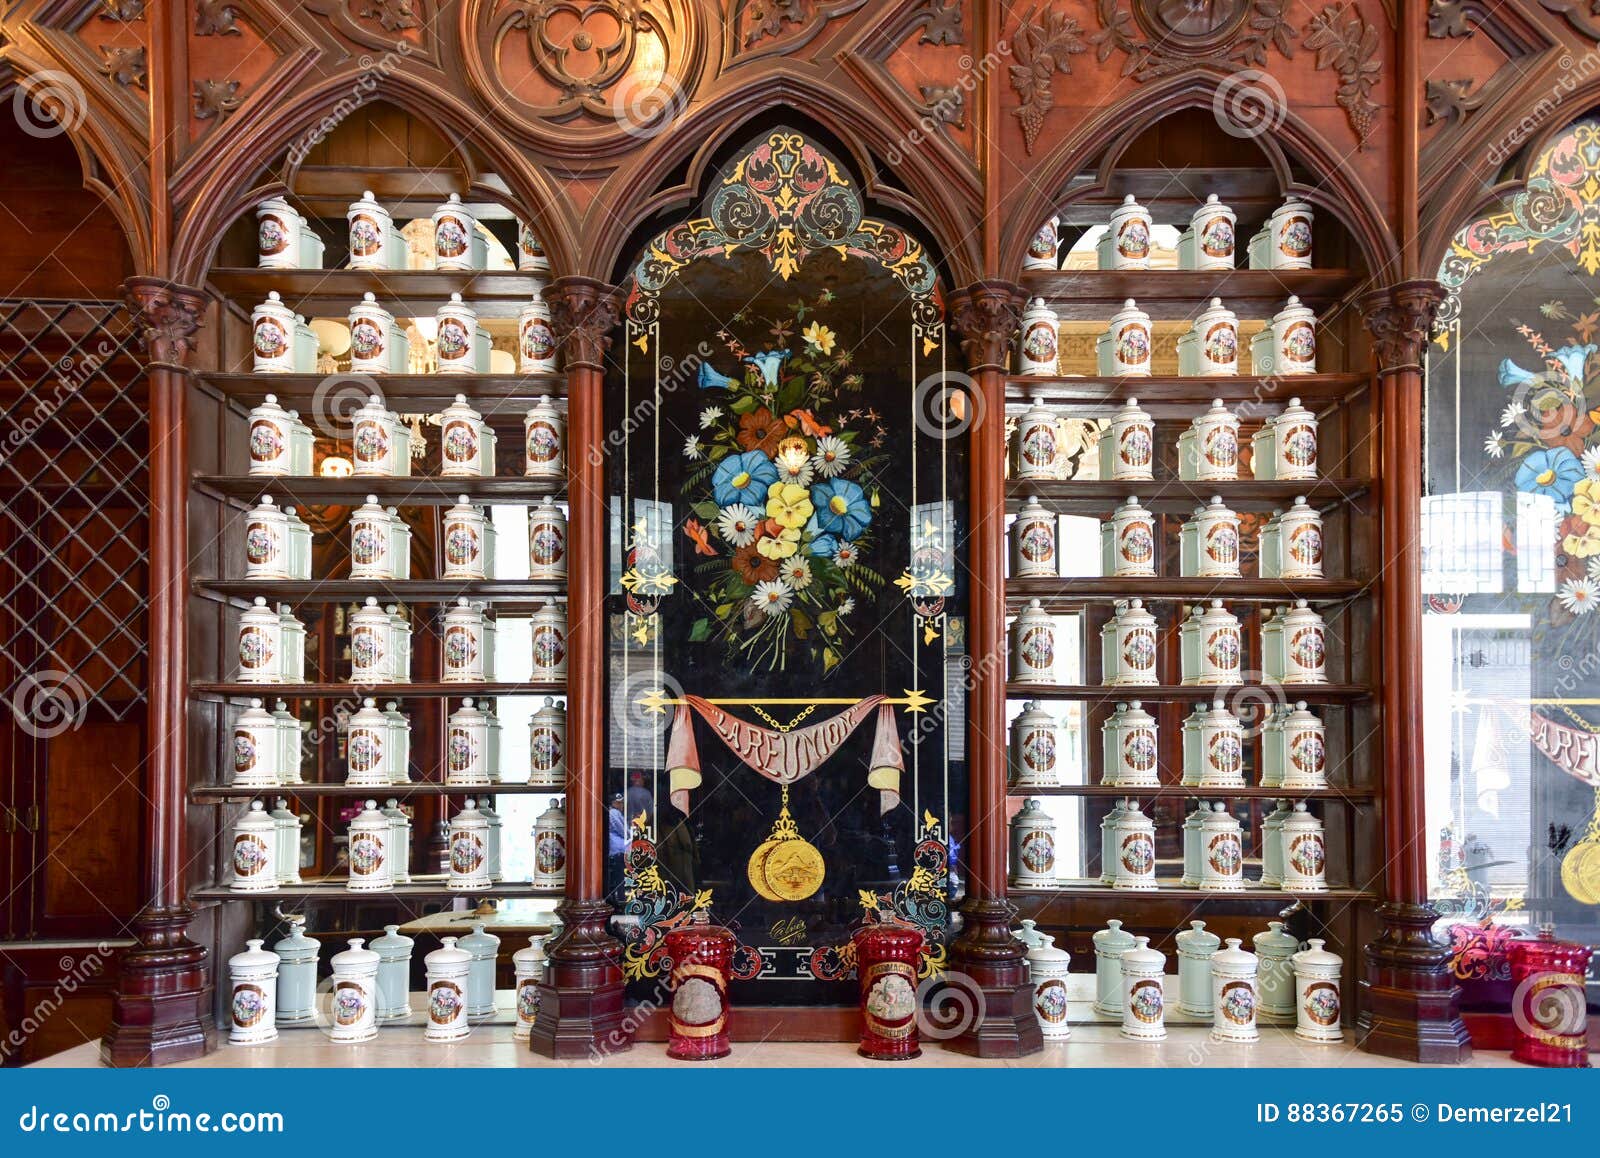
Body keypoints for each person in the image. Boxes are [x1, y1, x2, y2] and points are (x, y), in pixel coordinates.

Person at [606, 793, 629, 899]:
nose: (621, 805)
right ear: (613, 803)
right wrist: (631, 835)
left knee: (619, 876)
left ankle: (620, 897)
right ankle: (621, 898)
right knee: (619, 877)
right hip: (617, 849)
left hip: (619, 849)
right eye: (618, 803)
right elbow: (622, 830)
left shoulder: (616, 813)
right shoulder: (614, 813)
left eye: (621, 803)